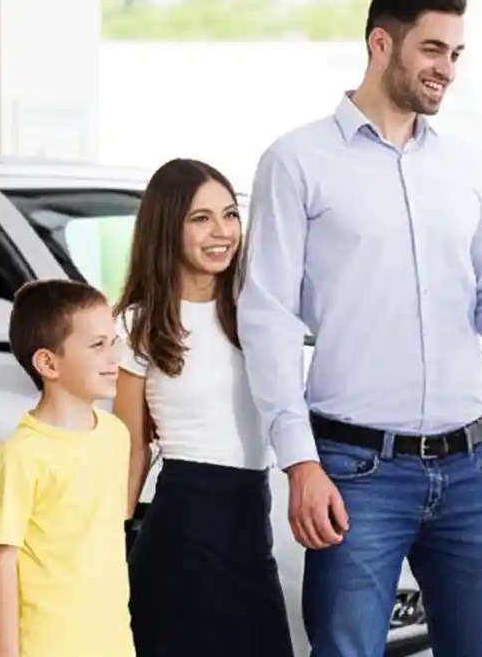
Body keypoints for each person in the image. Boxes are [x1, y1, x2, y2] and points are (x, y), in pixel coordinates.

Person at [238, 0, 482, 657]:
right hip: (356, 470)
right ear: (381, 44)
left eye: (456, 54)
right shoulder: (297, 161)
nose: (446, 69)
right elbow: (264, 318)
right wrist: (298, 462)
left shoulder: (467, 168)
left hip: (472, 466)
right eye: (433, 49)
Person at [113, 158, 294, 657]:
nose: (222, 232)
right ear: (168, 226)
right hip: (183, 528)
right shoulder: (138, 324)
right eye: (201, 218)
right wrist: (107, 545)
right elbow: (131, 449)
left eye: (230, 214)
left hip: (252, 521)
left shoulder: (257, 310)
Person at [0, 279, 134, 657]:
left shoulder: (115, 435)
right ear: (48, 363)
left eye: (113, 342)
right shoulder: (21, 454)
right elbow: (2, 560)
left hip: (114, 643)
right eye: (97, 345)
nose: (113, 357)